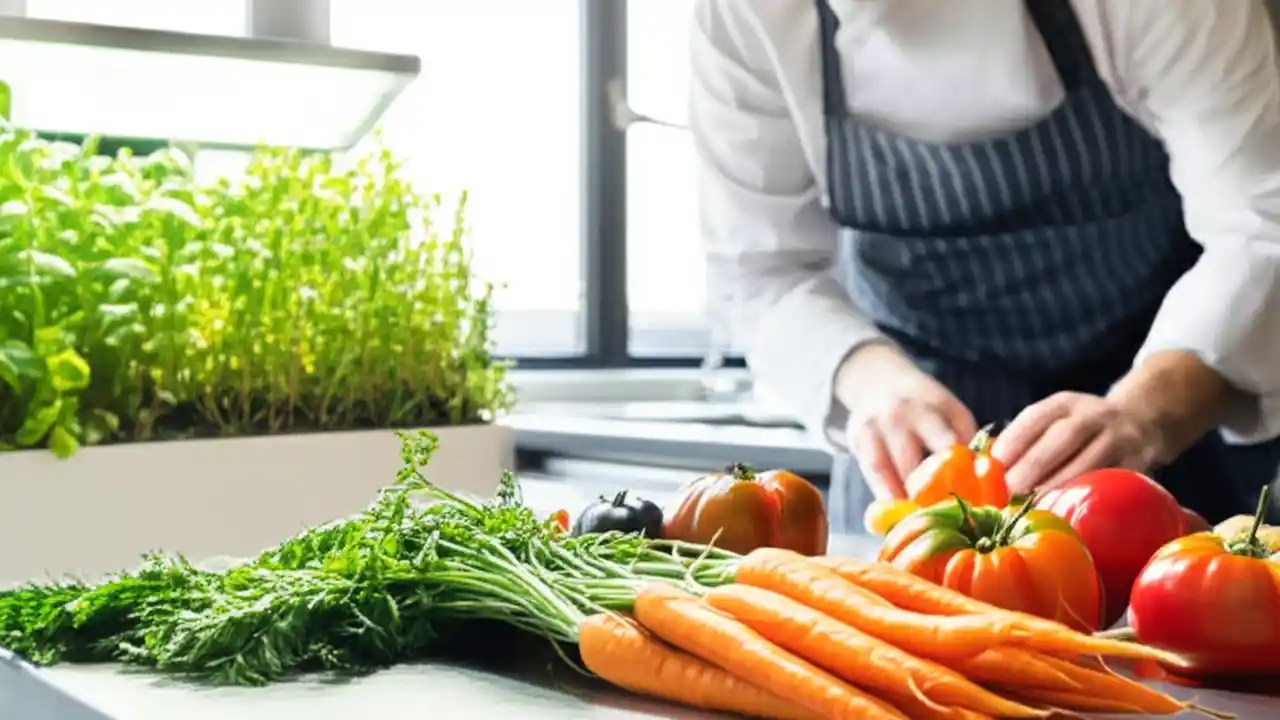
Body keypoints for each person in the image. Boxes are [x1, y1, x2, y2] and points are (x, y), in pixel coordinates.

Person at [691, 0, 1280, 530]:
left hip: (1171, 401)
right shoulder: (746, 14)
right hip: (919, 438)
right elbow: (762, 271)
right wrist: (876, 388)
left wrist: (1143, 414)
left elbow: (1261, 221)